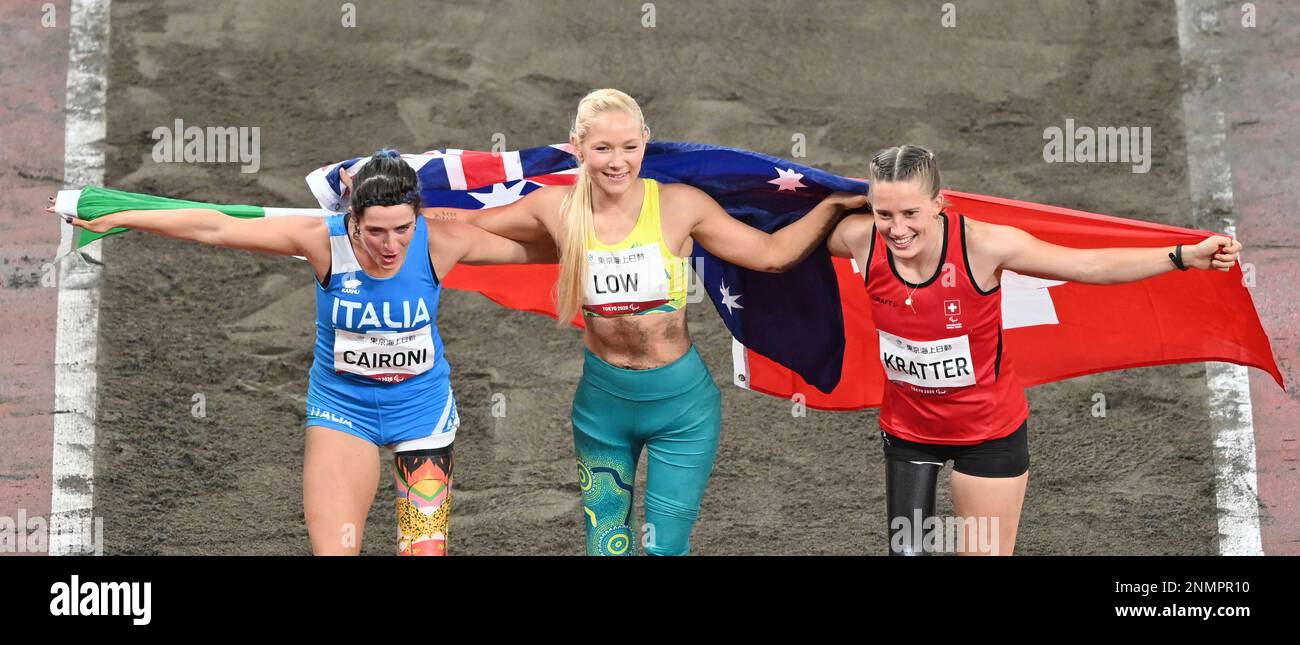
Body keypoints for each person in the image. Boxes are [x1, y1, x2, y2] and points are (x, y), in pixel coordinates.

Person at [50, 150, 556, 555]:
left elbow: (542, 249)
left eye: (402, 229)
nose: (390, 245)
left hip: (422, 414)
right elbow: (216, 226)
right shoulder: (320, 241)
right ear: (351, 218)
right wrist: (122, 217)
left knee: (424, 551)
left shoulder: (441, 243)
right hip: (343, 413)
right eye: (375, 230)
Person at [427, 88, 866, 555]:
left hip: (683, 413)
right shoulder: (556, 208)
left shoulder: (681, 205)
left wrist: (831, 206)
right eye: (602, 149)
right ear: (577, 146)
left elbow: (772, 256)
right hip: (602, 412)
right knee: (607, 547)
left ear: (645, 142)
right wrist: (399, 214)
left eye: (629, 147)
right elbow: (474, 223)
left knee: (665, 549)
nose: (617, 162)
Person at [824, 144, 1243, 555]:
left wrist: (1182, 255)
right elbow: (776, 250)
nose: (898, 229)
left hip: (987, 435)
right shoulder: (860, 240)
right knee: (908, 552)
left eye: (910, 213)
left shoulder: (984, 245)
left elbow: (1088, 267)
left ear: (939, 203)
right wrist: (823, 206)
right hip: (908, 432)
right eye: (885, 214)